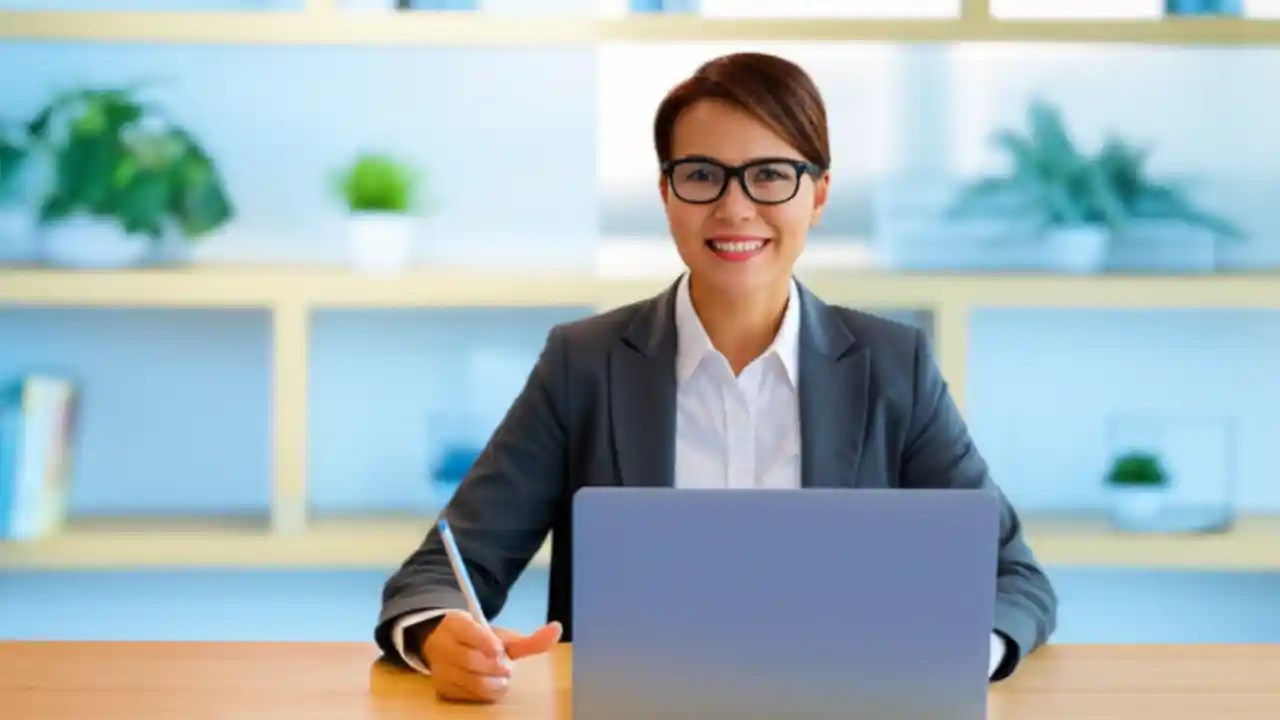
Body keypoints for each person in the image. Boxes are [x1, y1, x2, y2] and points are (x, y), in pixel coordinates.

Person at [375, 51, 1058, 703]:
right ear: (666, 193)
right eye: (702, 175)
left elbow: (1011, 577)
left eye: (770, 176)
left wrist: (965, 653)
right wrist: (442, 636)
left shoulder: (892, 366)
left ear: (818, 195)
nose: (735, 209)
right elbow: (442, 573)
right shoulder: (582, 364)